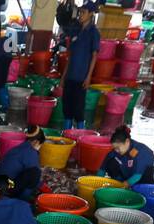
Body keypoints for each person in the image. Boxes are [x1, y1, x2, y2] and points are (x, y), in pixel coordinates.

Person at [56, 0, 100, 132]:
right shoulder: (77, 31)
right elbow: (70, 57)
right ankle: (66, 134)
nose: (80, 15)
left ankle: (81, 135)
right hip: (70, 76)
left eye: (83, 12)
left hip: (81, 78)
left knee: (78, 110)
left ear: (91, 14)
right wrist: (63, 77)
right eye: (80, 12)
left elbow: (94, 56)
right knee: (67, 108)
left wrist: (88, 77)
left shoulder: (94, 33)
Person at [0, 124, 44, 200]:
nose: (39, 148)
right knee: (35, 173)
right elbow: (35, 173)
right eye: (40, 145)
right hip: (5, 189)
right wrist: (41, 185)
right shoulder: (31, 153)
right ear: (36, 141)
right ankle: (21, 200)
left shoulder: (19, 147)